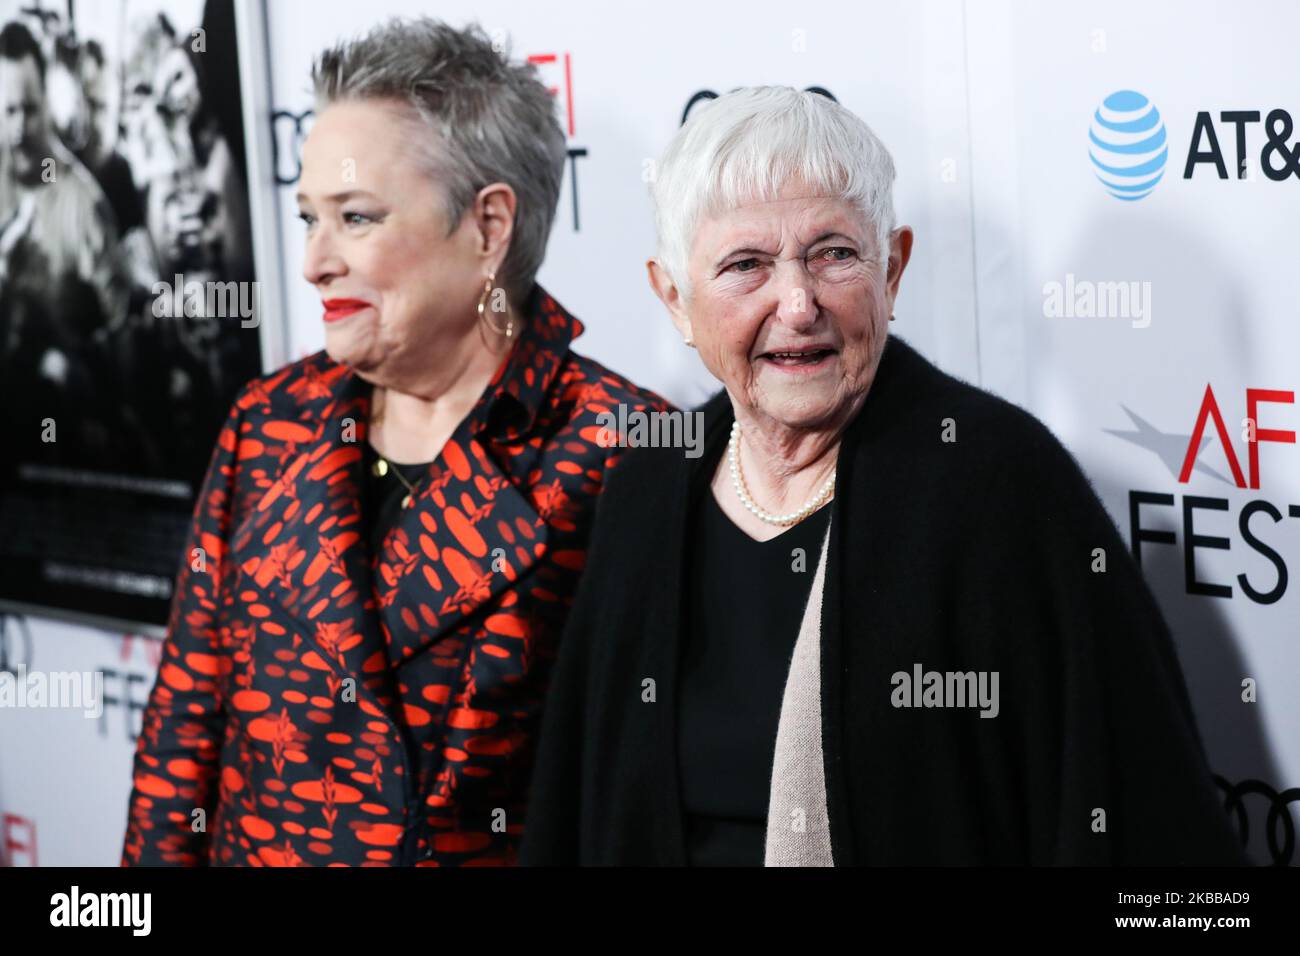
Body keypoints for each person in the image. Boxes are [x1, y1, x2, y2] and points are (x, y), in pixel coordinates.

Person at [520, 86, 1251, 866]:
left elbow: (1148, 831)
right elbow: (577, 812)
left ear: (892, 269)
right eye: (746, 265)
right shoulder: (649, 487)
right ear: (675, 298)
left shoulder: (1000, 485)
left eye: (834, 253)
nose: (797, 304)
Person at [122, 18, 664, 867]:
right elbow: (184, 730)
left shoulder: (618, 447)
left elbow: (643, 799)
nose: (313, 262)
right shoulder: (270, 422)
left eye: (356, 218)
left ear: (488, 229)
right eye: (309, 218)